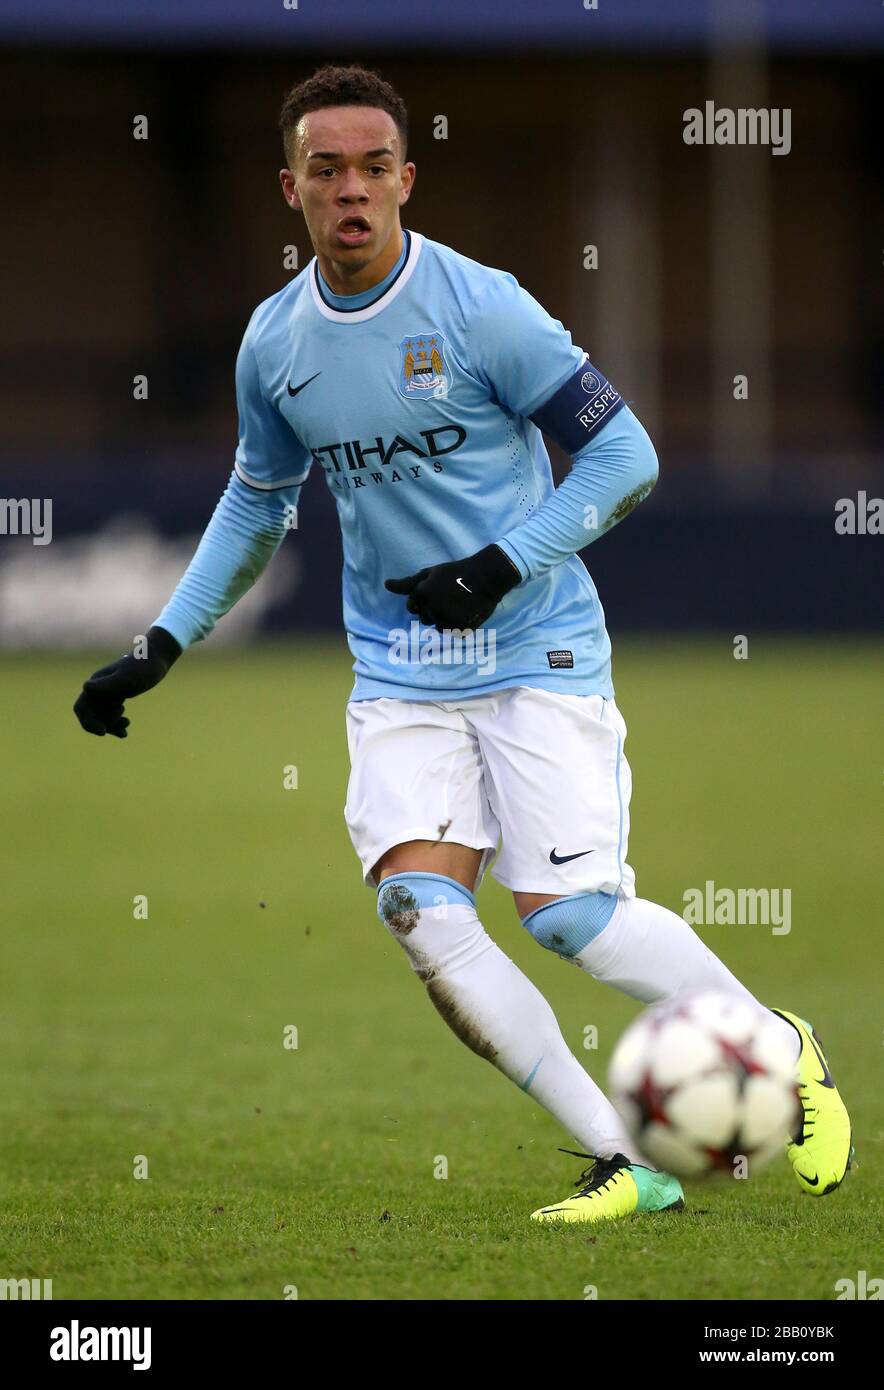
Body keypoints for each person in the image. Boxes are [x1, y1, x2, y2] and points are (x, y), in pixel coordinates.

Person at [74, 63, 852, 1223]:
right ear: (287, 187)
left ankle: (780, 1048)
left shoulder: (480, 305)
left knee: (568, 919)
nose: (352, 191)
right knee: (419, 913)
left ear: (405, 179)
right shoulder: (272, 344)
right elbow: (257, 501)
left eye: (373, 168)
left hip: (536, 652)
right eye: (325, 170)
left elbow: (624, 455)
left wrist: (499, 565)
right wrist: (164, 640)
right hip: (397, 675)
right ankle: (626, 1162)